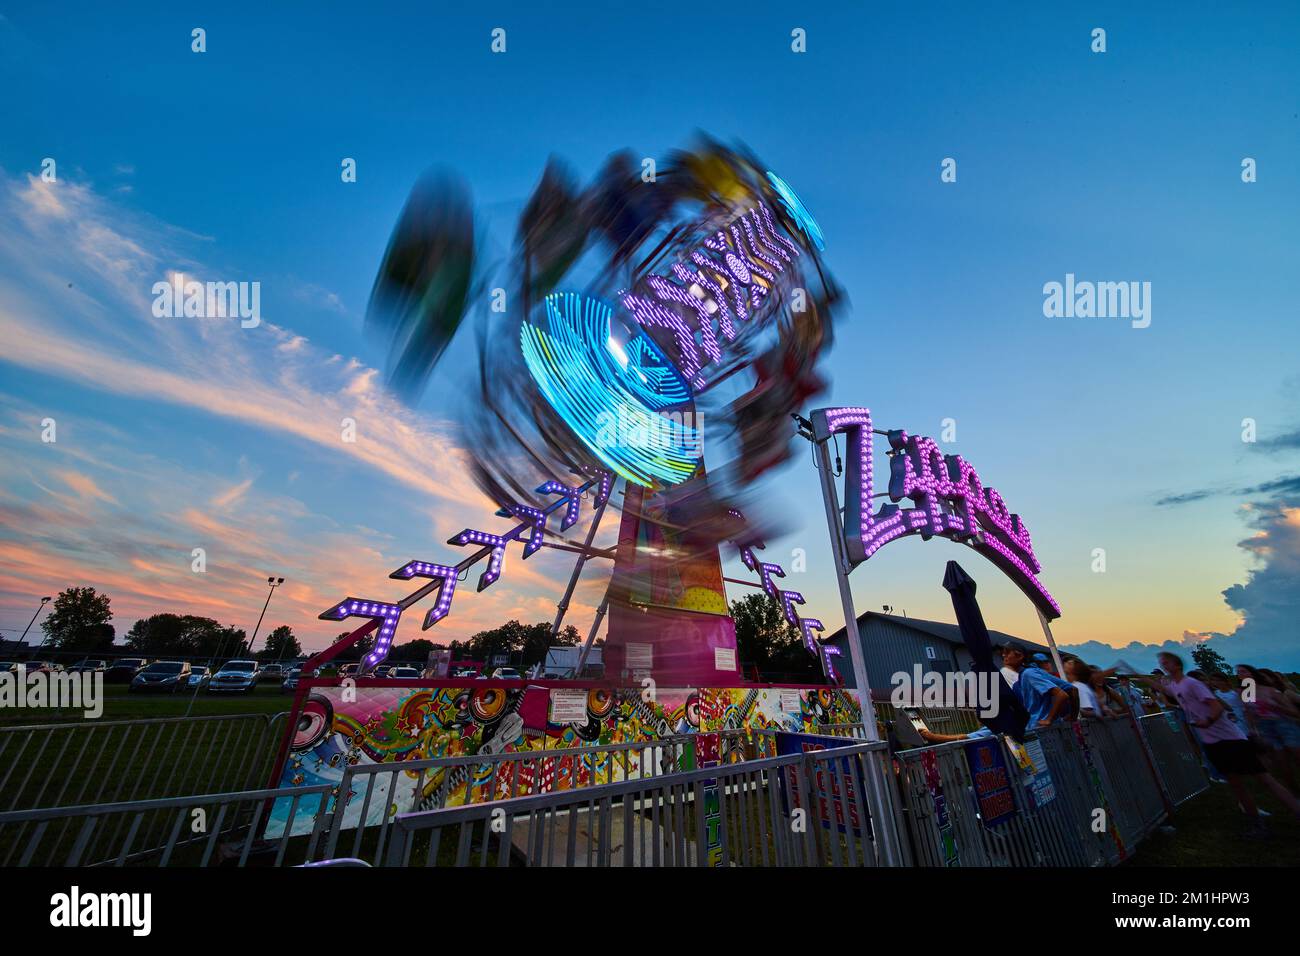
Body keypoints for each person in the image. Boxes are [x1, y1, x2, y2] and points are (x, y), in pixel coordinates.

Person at [1157, 652, 1300, 835]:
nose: (1163, 666)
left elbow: (1217, 706)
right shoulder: (1178, 686)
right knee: (1236, 784)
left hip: (1232, 739)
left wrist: (1208, 720)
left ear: (1177, 665)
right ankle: (1256, 823)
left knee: (1264, 778)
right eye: (1161, 663)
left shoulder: (1192, 683)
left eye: (1166, 662)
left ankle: (1295, 809)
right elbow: (1167, 691)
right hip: (1214, 742)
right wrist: (1134, 673)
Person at [1237, 664, 1300, 792]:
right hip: (1265, 727)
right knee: (1282, 763)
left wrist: (1275, 708)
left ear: (1252, 674)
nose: (1240, 674)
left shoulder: (1270, 691)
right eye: (1238, 672)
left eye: (1243, 671)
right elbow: (1248, 712)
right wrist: (1253, 729)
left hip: (1283, 724)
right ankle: (1294, 792)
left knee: (1297, 755)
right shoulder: (1246, 694)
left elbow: (1294, 712)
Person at [1001, 643, 1077, 728]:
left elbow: (1062, 695)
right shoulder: (1030, 673)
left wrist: (1049, 719)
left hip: (1040, 727)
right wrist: (1073, 716)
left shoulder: (1029, 674)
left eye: (1007, 653)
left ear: (1020, 656)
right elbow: (1073, 689)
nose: (1004, 655)